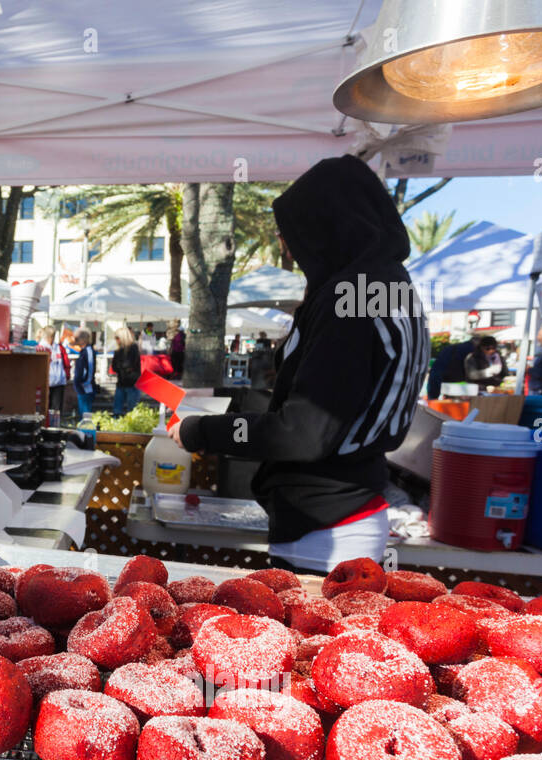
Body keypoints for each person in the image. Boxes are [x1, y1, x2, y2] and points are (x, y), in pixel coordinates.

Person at [169, 154, 428, 574]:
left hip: (326, 527)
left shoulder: (352, 297)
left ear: (328, 226)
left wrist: (201, 430)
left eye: (292, 234)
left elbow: (303, 432)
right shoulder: (388, 287)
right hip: (346, 511)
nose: (289, 247)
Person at [37, 325, 72, 420]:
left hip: (59, 383)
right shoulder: (40, 348)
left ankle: (55, 426)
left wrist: (67, 376)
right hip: (46, 384)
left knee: (56, 410)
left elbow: (66, 363)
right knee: (44, 408)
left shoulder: (59, 348)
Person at [111, 326, 142, 415]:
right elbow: (114, 367)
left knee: (132, 411)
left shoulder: (133, 347)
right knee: (117, 410)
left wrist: (121, 367)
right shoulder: (118, 350)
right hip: (121, 383)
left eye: (117, 338)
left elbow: (129, 364)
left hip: (132, 383)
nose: (116, 340)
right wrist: (123, 367)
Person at [72, 328, 97, 421]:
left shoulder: (88, 351)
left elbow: (90, 369)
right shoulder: (84, 351)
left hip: (86, 388)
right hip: (82, 387)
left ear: (83, 339)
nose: (75, 341)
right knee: (83, 416)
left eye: (77, 339)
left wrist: (83, 383)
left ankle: (86, 433)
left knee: (86, 417)